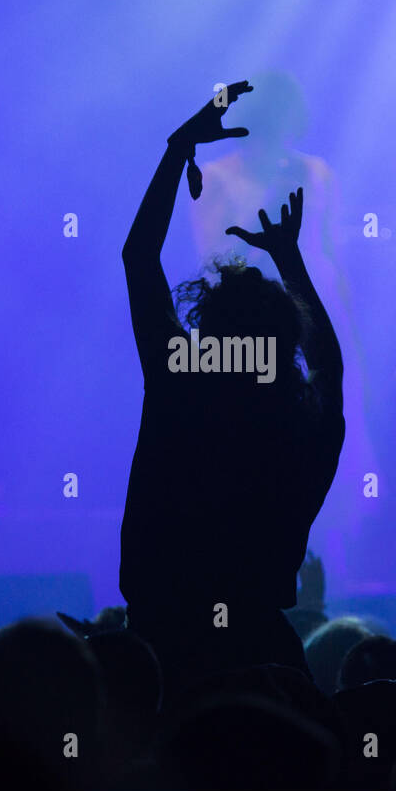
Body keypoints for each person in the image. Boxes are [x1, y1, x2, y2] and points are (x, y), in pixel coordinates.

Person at [119, 81, 345, 693]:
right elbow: (330, 367)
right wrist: (290, 259)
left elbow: (139, 258)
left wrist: (178, 150)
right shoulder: (304, 425)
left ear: (206, 329)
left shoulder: (178, 388)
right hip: (262, 649)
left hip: (162, 650)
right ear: (288, 339)